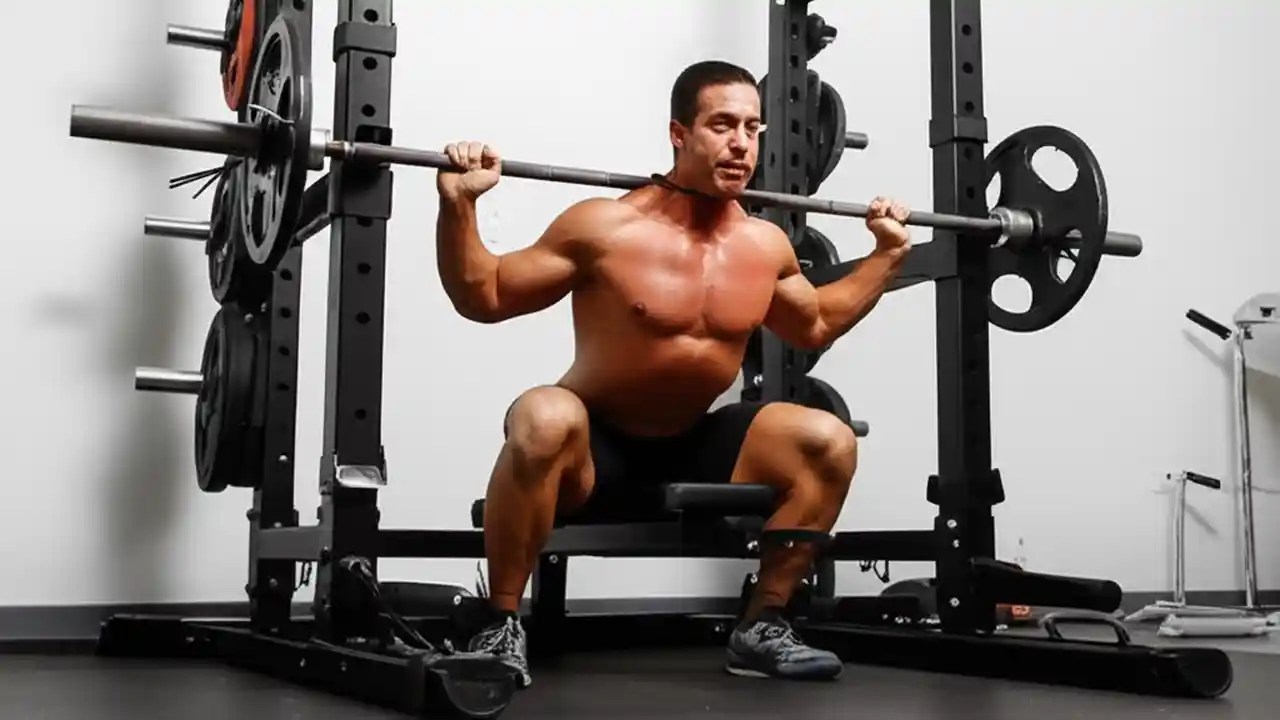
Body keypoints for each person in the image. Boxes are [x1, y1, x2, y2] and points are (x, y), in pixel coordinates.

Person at [434, 60, 910, 687]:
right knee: (542, 415)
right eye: (721, 125)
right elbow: (486, 294)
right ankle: (499, 624)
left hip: (694, 441)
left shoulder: (764, 245)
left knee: (829, 441)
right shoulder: (605, 227)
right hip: (594, 450)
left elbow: (814, 323)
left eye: (752, 127)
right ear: (679, 134)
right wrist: (459, 208)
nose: (742, 143)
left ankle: (762, 623)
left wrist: (887, 255)